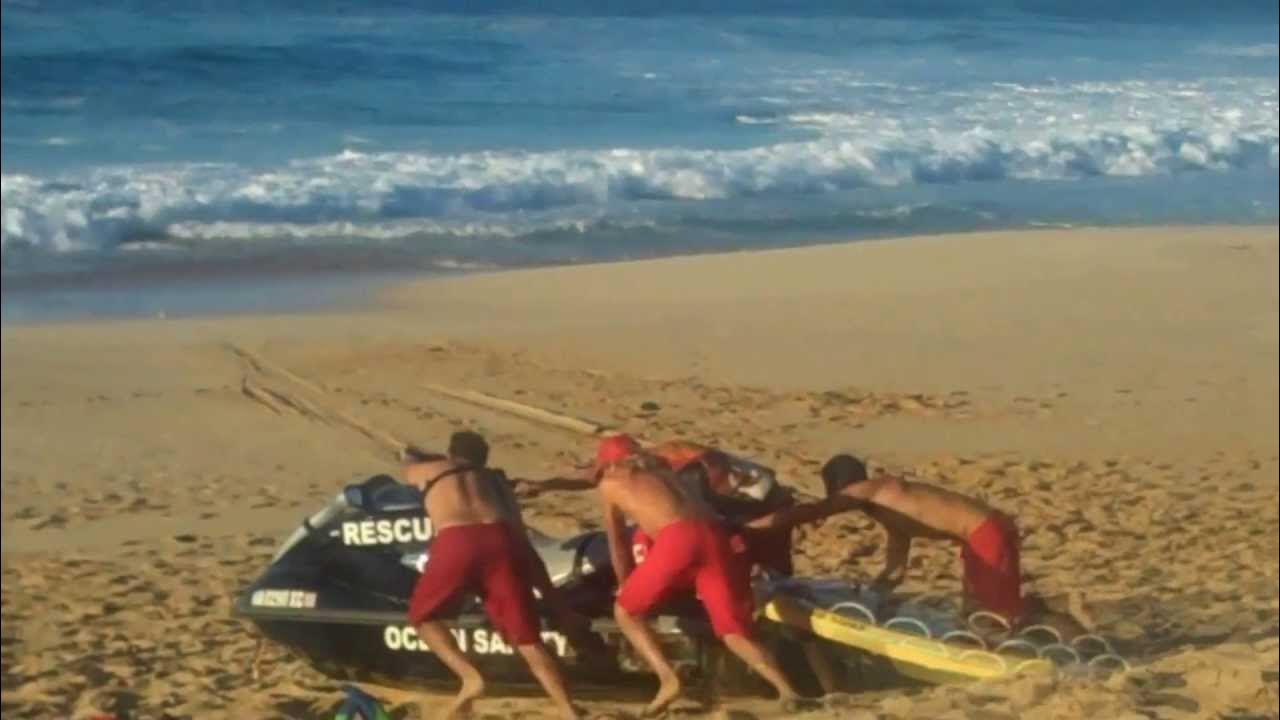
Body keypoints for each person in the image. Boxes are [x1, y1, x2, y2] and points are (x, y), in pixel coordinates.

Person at [591, 434, 805, 715]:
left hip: (678, 538)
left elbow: (617, 541)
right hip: (715, 536)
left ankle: (668, 679)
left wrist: (624, 583)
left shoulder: (610, 485)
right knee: (732, 630)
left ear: (608, 465)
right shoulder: (665, 470)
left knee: (626, 612)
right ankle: (787, 690)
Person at [403, 438, 579, 720]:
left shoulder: (434, 467)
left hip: (456, 539)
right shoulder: (495, 481)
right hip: (501, 538)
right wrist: (553, 599)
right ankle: (568, 709)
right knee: (528, 639)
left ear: (452, 453)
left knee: (422, 617)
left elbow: (408, 469)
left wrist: (417, 457)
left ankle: (470, 677)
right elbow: (522, 538)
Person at [443, 431, 608, 660]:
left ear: (451, 455)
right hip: (518, 547)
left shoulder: (455, 482)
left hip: (495, 552)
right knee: (546, 594)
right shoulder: (494, 479)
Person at [816, 454, 1027, 624]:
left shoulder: (877, 488)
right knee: (976, 609)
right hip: (977, 536)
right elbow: (896, 569)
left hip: (986, 532)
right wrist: (872, 596)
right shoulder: (891, 511)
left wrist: (787, 518)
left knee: (994, 614)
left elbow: (828, 506)